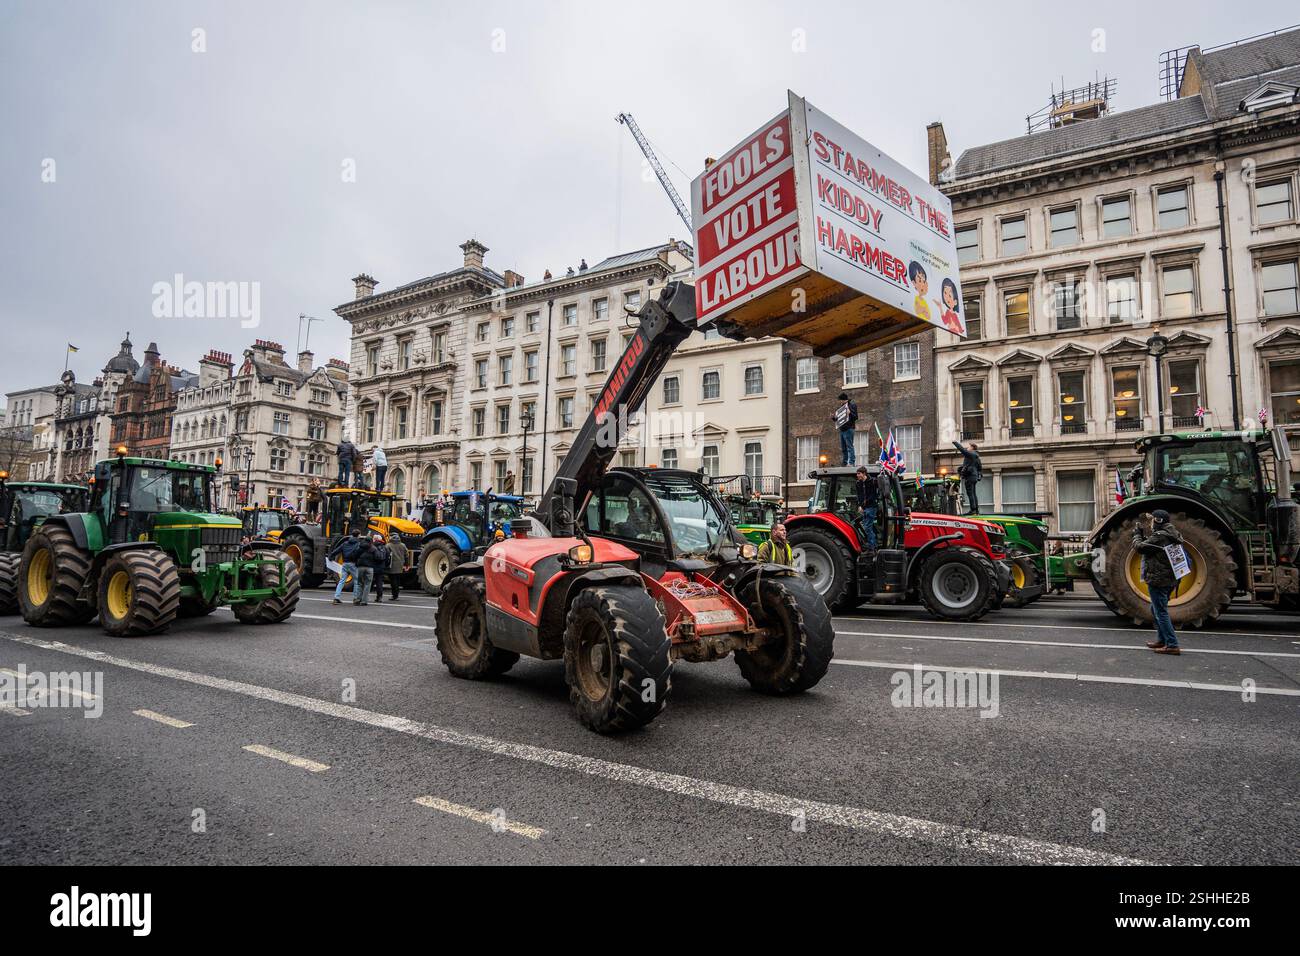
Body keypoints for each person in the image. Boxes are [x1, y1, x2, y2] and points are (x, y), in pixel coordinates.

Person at [1132, 510, 1184, 655]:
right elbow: (1149, 546)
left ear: (1159, 521)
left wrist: (1137, 534)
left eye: (1152, 520)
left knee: (1161, 612)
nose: (1151, 522)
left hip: (1159, 580)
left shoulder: (1160, 536)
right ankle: (1162, 640)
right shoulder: (1171, 534)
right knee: (1156, 610)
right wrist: (1142, 536)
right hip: (1169, 579)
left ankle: (1172, 645)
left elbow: (1140, 547)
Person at [329, 529, 363, 604]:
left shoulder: (345, 543)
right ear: (358, 535)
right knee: (356, 581)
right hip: (353, 564)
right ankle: (355, 598)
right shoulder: (358, 544)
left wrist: (331, 556)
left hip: (345, 564)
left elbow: (336, 550)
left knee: (341, 581)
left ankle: (336, 598)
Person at [951, 440, 983, 515]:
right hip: (974, 477)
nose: (967, 448)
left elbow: (962, 450)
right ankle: (976, 509)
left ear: (972, 447)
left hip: (970, 476)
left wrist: (955, 443)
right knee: (973, 493)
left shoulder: (971, 454)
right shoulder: (977, 456)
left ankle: (973, 510)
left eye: (968, 447)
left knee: (970, 493)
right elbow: (979, 467)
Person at [374, 531, 406, 602]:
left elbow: (386, 555)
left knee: (393, 581)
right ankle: (396, 595)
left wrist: (385, 564)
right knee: (397, 580)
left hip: (391, 566)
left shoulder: (388, 545)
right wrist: (406, 564)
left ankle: (394, 595)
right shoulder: (403, 545)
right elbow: (406, 555)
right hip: (400, 565)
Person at [352, 533, 382, 606]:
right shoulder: (374, 548)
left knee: (359, 584)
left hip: (360, 567)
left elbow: (354, 555)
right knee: (367, 584)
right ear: (371, 541)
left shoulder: (360, 547)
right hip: (369, 568)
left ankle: (358, 599)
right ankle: (364, 601)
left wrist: (357, 562)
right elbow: (378, 557)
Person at [854, 466, 879, 550]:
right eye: (857, 473)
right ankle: (873, 543)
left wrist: (863, 506)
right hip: (864, 507)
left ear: (864, 473)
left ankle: (872, 546)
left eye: (859, 473)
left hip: (871, 507)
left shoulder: (872, 482)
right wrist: (860, 505)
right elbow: (859, 496)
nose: (857, 475)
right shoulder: (858, 483)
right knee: (867, 526)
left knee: (867, 526)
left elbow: (873, 496)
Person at [833, 392, 859, 466]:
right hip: (842, 429)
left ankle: (851, 462)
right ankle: (844, 462)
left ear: (845, 400)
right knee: (843, 448)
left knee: (849, 446)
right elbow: (838, 420)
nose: (840, 402)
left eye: (841, 400)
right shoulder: (841, 408)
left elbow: (856, 417)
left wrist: (850, 413)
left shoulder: (852, 405)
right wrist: (834, 418)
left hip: (849, 428)